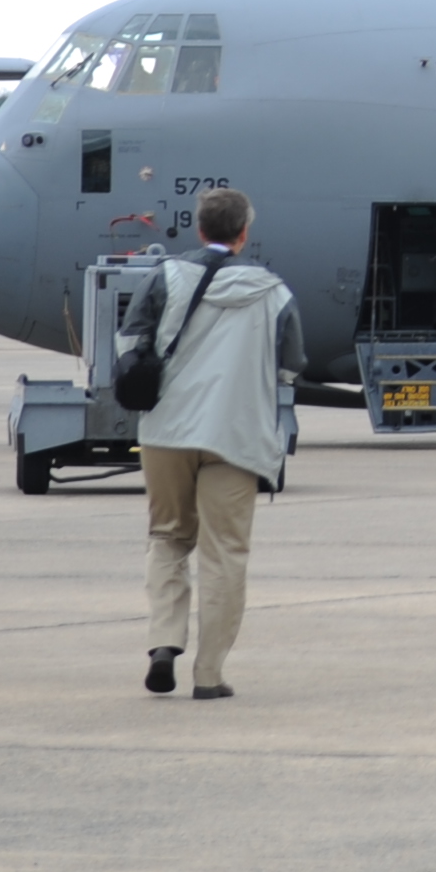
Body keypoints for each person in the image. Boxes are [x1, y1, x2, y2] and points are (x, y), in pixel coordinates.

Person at [132, 187, 306, 702]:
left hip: (167, 432)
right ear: (244, 232)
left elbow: (132, 341)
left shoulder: (163, 277)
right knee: (224, 552)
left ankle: (164, 642)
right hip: (235, 435)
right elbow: (293, 361)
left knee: (167, 537)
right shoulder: (273, 292)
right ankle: (208, 674)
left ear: (199, 228)